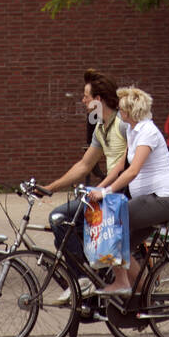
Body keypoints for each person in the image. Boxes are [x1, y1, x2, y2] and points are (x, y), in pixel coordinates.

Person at [88, 85, 169, 295]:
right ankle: (146, 297)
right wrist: (98, 187)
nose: (119, 113)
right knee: (123, 247)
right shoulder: (133, 131)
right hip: (150, 200)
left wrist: (105, 193)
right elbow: (119, 167)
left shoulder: (148, 132)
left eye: (122, 109)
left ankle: (122, 284)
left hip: (163, 199)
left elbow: (132, 171)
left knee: (109, 223)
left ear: (130, 112)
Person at [42, 71, 127, 296]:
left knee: (60, 220)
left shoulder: (122, 125)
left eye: (86, 96)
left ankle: (84, 277)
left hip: (121, 192)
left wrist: (103, 187)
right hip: (110, 191)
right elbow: (84, 165)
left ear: (98, 100)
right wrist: (50, 188)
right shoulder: (100, 129)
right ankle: (93, 275)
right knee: (68, 222)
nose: (83, 101)